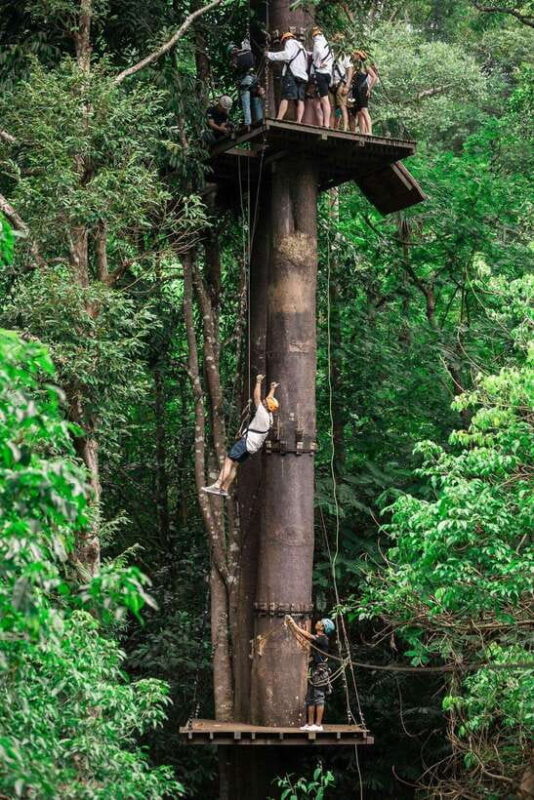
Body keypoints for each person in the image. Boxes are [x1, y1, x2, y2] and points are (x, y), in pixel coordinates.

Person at [202, 374, 279, 497]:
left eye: (265, 402)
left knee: (228, 461)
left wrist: (258, 381)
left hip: (246, 443)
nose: (264, 400)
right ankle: (225, 489)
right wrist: (272, 389)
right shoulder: (270, 417)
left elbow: (257, 397)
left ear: (266, 406)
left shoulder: (262, 413)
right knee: (234, 466)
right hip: (252, 447)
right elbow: (269, 400)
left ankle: (217, 485)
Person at [286, 616, 336, 731]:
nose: (318, 622)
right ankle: (310, 724)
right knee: (310, 698)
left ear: (323, 628)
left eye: (320, 622)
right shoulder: (318, 639)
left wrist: (294, 625)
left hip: (320, 672)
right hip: (314, 671)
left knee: (319, 697)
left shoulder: (323, 638)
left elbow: (308, 635)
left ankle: (318, 725)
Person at [266, 31, 308, 123]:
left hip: (292, 74)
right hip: (303, 76)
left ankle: (279, 118)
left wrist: (270, 55)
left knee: (285, 96)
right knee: (300, 99)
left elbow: (287, 55)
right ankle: (299, 121)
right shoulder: (303, 48)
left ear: (285, 39)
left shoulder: (289, 42)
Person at [228, 40, 264, 126]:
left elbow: (235, 68)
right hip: (254, 79)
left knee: (246, 103)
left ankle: (248, 123)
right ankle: (260, 120)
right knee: (256, 100)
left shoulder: (235, 57)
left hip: (245, 80)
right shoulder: (248, 52)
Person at [349, 50, 378, 135]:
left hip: (363, 89)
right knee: (359, 112)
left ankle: (369, 131)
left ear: (358, 56)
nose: (353, 56)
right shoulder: (355, 66)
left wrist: (369, 89)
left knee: (364, 110)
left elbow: (375, 77)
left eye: (355, 55)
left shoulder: (365, 66)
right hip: (355, 90)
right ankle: (362, 132)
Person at [329, 35, 353, 132]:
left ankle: (344, 129)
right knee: (332, 107)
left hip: (341, 83)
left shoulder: (345, 55)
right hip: (331, 83)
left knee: (343, 106)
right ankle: (331, 127)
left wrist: (347, 85)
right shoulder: (330, 54)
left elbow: (350, 70)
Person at [310, 26, 333, 127]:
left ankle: (326, 124)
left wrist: (318, 64)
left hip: (320, 74)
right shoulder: (328, 45)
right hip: (328, 73)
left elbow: (317, 53)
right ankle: (321, 124)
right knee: (317, 101)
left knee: (324, 99)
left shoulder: (317, 43)